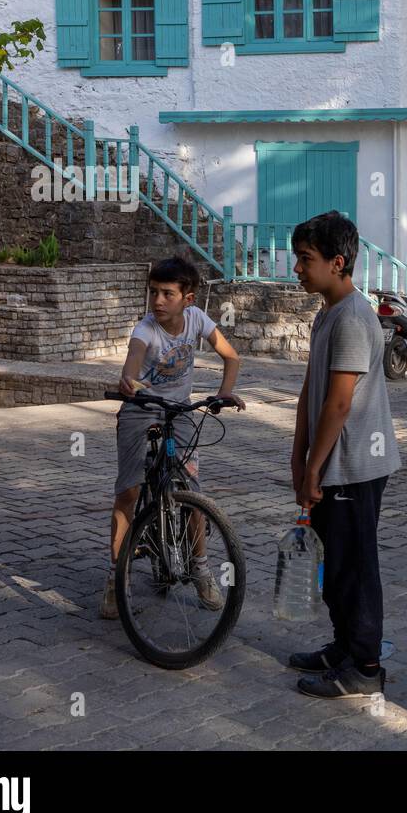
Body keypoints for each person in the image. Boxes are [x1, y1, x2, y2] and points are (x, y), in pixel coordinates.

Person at [287, 211, 401, 699]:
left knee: (354, 567)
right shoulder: (328, 312)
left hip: (355, 465)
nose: (297, 268)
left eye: (305, 259)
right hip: (332, 462)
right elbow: (311, 388)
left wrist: (313, 467)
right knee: (334, 565)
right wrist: (298, 454)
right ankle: (343, 648)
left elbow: (338, 402)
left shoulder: (353, 317)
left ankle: (367, 668)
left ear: (338, 263)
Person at [104, 256, 245, 619]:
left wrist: (224, 392)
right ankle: (116, 580)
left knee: (192, 492)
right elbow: (132, 364)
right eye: (153, 292)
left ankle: (200, 567)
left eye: (167, 293)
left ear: (189, 299)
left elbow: (232, 357)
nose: (158, 301)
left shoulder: (198, 320)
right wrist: (128, 382)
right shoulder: (145, 330)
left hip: (179, 411)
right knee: (130, 491)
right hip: (141, 408)